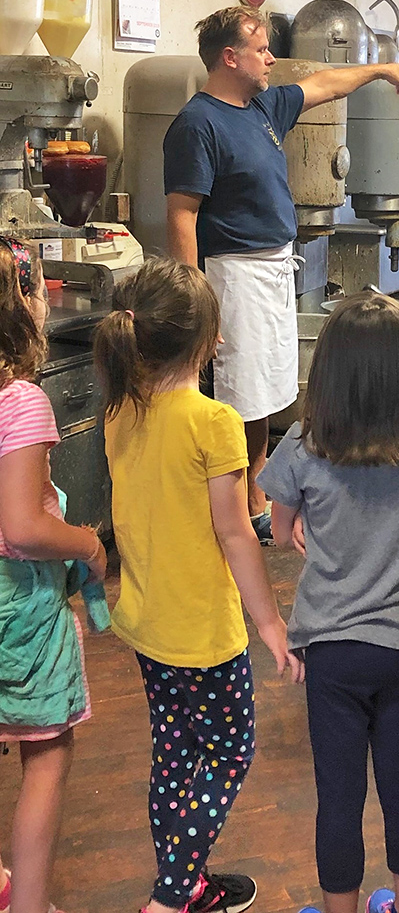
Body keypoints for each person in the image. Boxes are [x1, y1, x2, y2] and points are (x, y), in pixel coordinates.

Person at [164, 6, 399, 544]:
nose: (271, 59)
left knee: (259, 393)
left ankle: (256, 488)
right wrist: (196, 302)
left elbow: (326, 83)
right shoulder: (197, 124)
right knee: (236, 394)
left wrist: (379, 71)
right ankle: (237, 504)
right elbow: (182, 214)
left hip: (272, 268)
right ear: (229, 57)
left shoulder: (262, 107)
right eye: (260, 50)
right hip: (232, 275)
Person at [92, 256, 303, 913]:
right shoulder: (214, 424)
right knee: (231, 753)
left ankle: (190, 881)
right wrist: (270, 622)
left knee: (177, 755)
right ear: (211, 343)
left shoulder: (119, 414)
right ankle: (175, 891)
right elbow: (237, 533)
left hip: (149, 626)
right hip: (206, 636)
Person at [257, 292, 399, 913]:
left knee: (338, 794)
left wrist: (297, 528)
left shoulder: (302, 444)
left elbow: (280, 525)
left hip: (333, 649)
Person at [0, 237, 107, 913]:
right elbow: (22, 527)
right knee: (46, 753)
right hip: (19, 608)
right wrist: (89, 545)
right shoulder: (20, 404)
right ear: (22, 308)